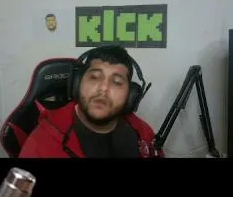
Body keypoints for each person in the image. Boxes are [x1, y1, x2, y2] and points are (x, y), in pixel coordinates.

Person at [18, 45, 161, 158]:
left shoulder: (144, 134)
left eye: (117, 82)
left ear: (130, 95)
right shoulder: (42, 144)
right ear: (77, 83)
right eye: (94, 77)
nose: (103, 88)